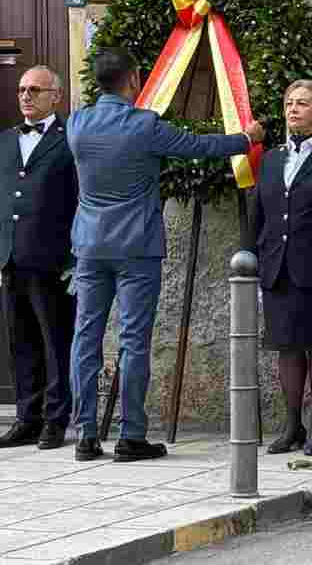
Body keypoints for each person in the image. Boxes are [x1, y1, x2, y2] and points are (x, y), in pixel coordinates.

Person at [68, 47, 264, 463]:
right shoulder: (142, 126)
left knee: (86, 337)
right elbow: (198, 145)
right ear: (134, 81)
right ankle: (131, 436)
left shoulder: (78, 122)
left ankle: (85, 434)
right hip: (136, 246)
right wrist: (246, 139)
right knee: (133, 341)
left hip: (89, 244)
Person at [252, 79, 312, 457]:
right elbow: (257, 213)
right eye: (290, 103)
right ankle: (292, 423)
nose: (294, 109)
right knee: (287, 346)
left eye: (303, 103)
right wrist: (253, 261)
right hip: (278, 267)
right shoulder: (273, 159)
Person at [0, 66, 78, 451]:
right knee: (21, 343)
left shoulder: (70, 141)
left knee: (55, 342)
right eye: (21, 90)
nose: (26, 96)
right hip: (11, 258)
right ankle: (26, 417)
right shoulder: (5, 141)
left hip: (52, 259)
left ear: (56, 97)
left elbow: (79, 200)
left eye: (34, 89)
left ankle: (55, 419)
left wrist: (75, 256)